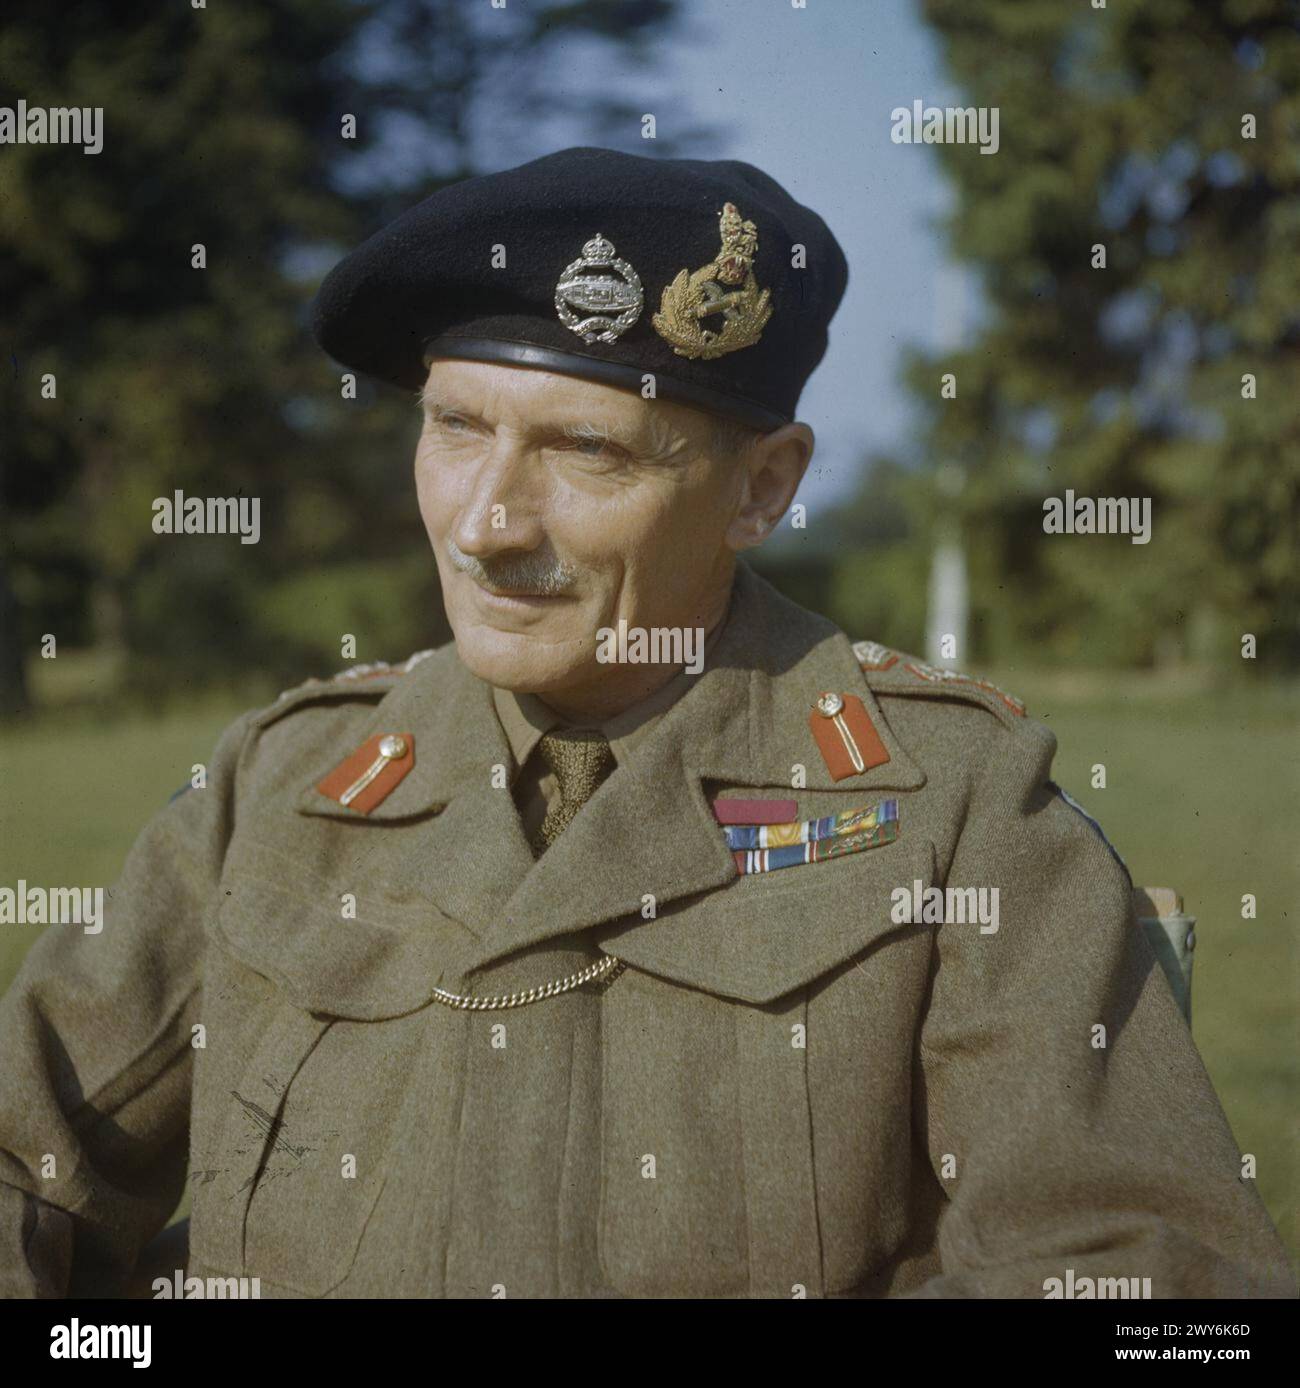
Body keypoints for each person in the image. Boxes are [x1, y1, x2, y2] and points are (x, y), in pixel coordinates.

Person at [0, 147, 1292, 1298]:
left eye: (587, 453)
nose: (486, 523)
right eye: (456, 428)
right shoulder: (280, 789)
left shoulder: (950, 809)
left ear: (762, 488)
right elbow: (24, 1161)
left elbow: (1145, 1275)